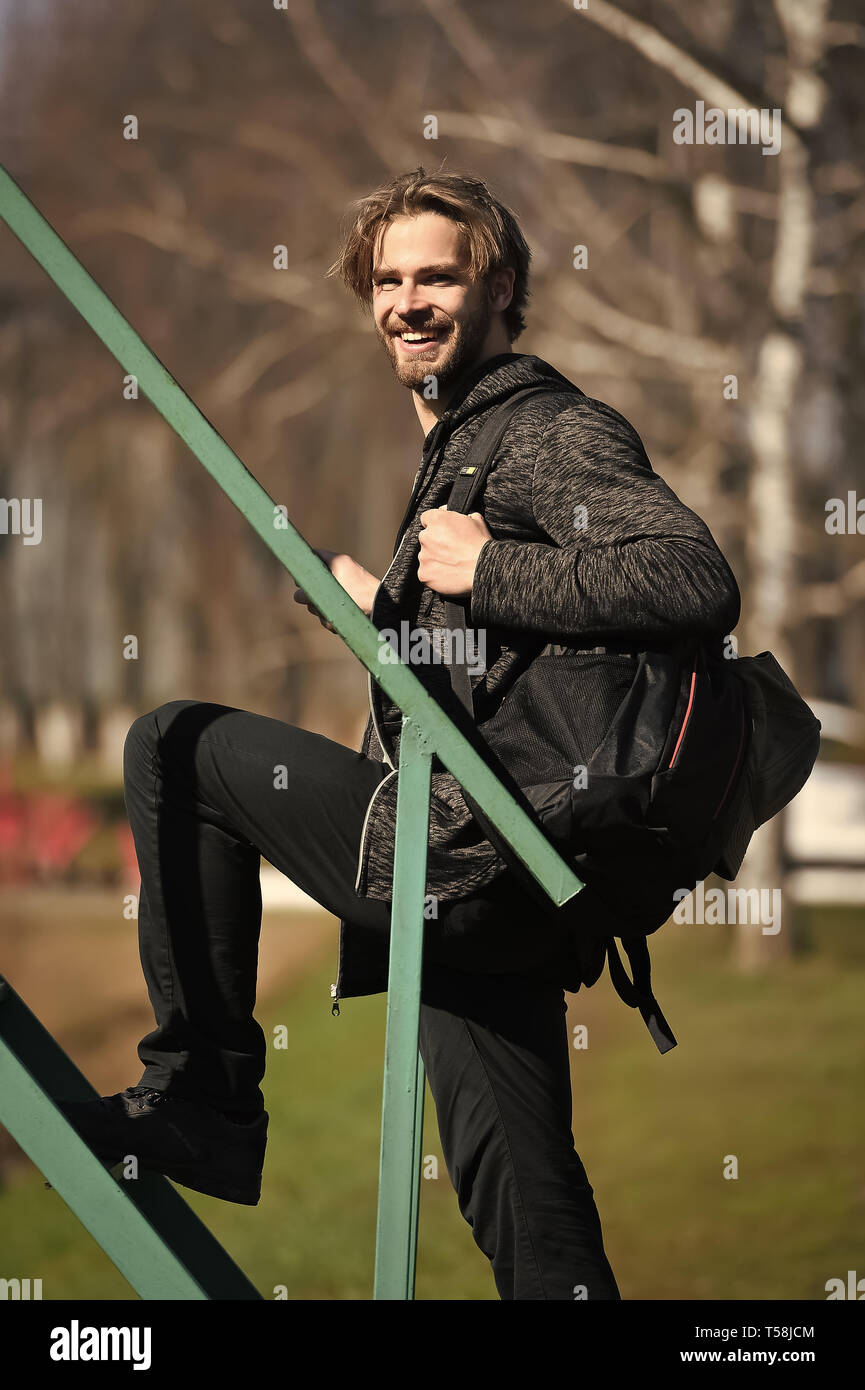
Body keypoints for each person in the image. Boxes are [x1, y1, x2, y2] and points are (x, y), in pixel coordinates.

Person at [62, 167, 740, 1300]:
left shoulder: (543, 428)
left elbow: (692, 575)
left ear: (501, 287)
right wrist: (388, 617)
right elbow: (507, 674)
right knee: (521, 1195)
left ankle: (209, 1097)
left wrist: (491, 566)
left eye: (438, 275)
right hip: (507, 892)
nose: (407, 301)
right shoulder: (459, 443)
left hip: (470, 856)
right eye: (388, 279)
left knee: (177, 747)